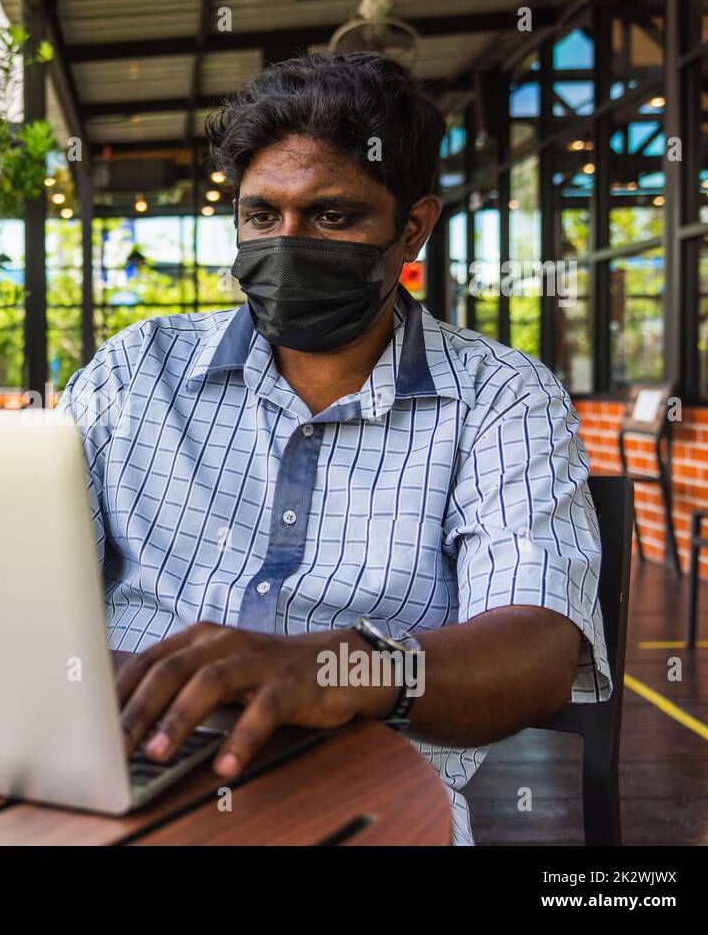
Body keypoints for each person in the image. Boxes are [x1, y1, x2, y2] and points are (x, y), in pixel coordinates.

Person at [58, 52, 608, 845]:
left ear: (412, 226)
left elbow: (538, 649)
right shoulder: (135, 369)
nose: (287, 242)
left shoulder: (501, 397)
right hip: (123, 761)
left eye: (332, 216)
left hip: (363, 794)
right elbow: (23, 585)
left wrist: (341, 668)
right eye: (261, 215)